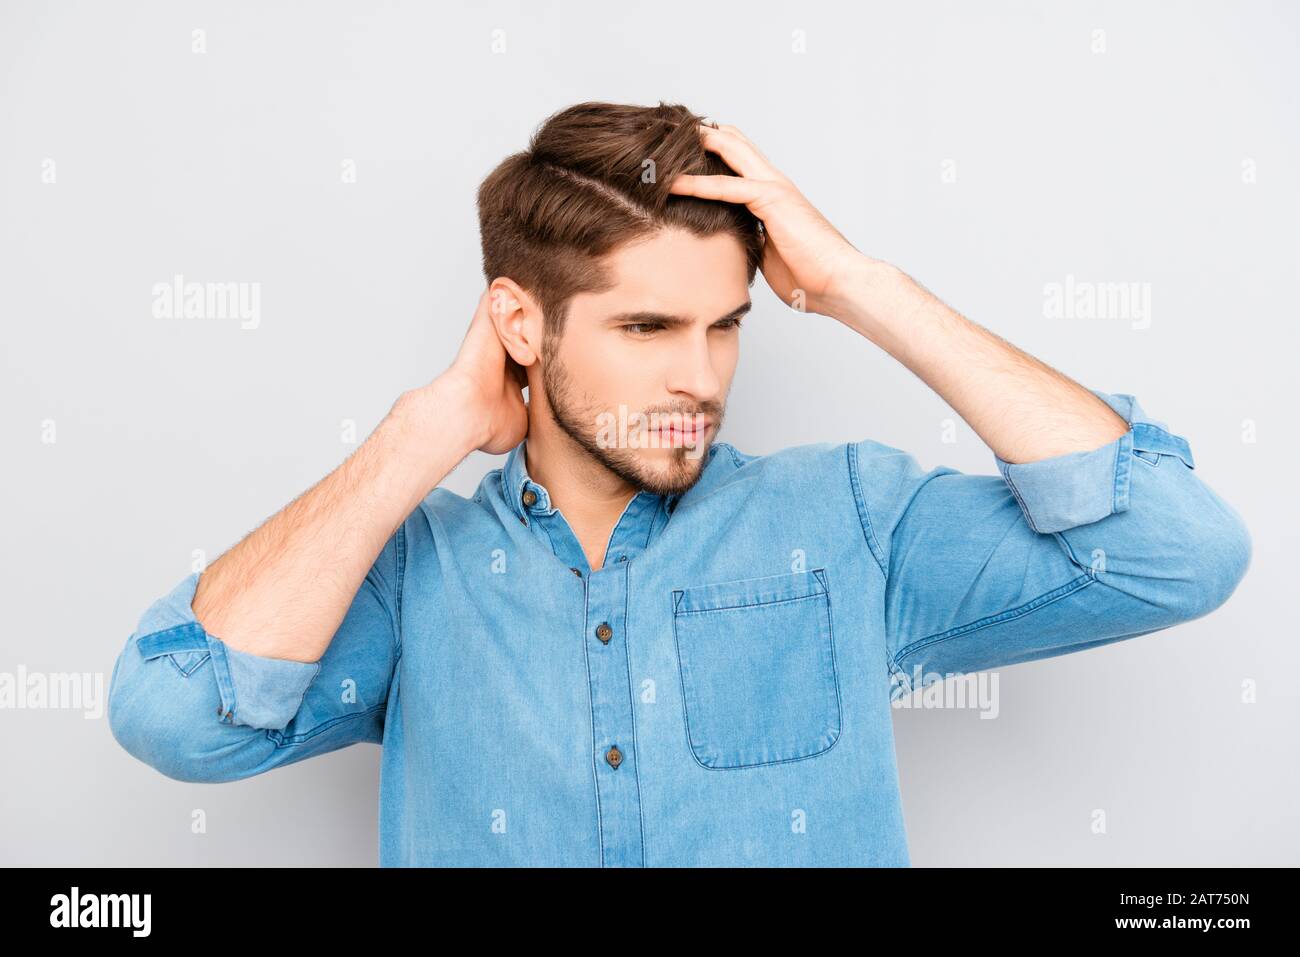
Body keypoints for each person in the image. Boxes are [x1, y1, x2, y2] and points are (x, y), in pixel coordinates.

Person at [107, 101, 1251, 866]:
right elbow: (175, 718)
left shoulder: (852, 524)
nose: (699, 377)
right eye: (646, 325)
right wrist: (432, 427)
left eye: (724, 326)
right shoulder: (416, 578)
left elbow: (1175, 550)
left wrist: (859, 285)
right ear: (520, 320)